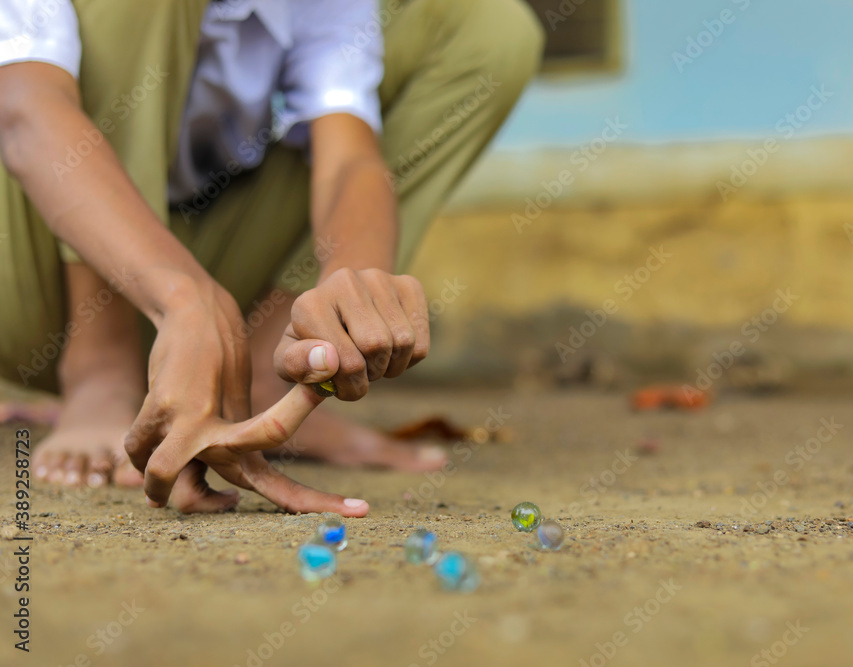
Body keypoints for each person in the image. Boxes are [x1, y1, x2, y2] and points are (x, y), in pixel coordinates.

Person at [0, 0, 543, 514]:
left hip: (206, 323)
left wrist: (348, 294)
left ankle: (264, 380)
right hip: (31, 272)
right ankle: (102, 369)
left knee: (486, 31)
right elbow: (26, 111)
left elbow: (348, 157)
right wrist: (185, 297)